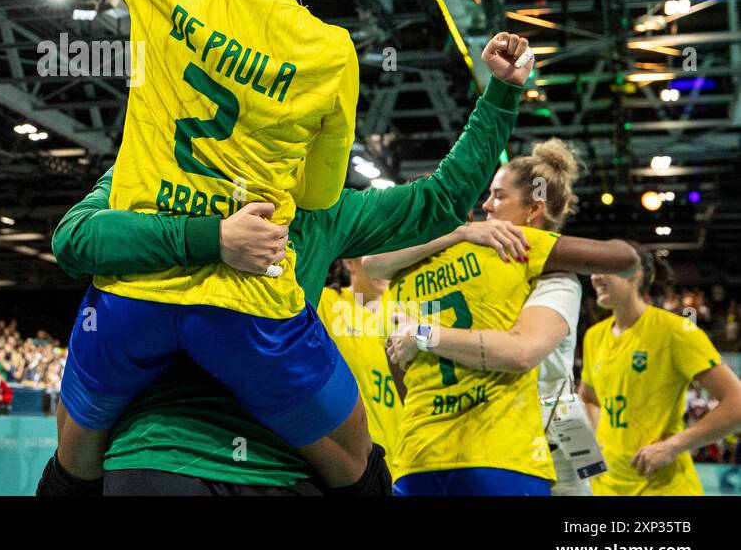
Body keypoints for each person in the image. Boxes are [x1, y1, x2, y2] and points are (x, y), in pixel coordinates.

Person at [42, 0, 381, 495]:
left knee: (74, 461)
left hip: (136, 294)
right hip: (245, 311)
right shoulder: (331, 53)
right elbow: (322, 198)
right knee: (355, 460)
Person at [46, 34, 529, 494]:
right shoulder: (317, 209)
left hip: (150, 462)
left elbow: (74, 240)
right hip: (280, 466)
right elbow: (441, 201)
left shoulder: (155, 175)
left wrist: (501, 94)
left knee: (68, 472)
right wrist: (501, 95)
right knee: (366, 474)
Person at [363, 139, 640, 496]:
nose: (486, 206)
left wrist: (422, 335)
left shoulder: (547, 269)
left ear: (533, 209)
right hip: (502, 443)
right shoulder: (484, 255)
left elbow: (520, 351)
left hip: (537, 437)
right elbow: (623, 257)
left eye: (498, 196)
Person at [579, 245, 741, 495]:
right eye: (594, 269)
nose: (595, 276)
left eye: (605, 268)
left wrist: (674, 446)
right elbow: (589, 398)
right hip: (607, 486)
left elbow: (737, 402)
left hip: (662, 487)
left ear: (634, 273)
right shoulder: (593, 336)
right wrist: (602, 438)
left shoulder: (676, 331)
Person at [317, 259, 401, 459]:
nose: (383, 261)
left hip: (406, 455)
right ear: (351, 263)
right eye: (375, 253)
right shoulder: (328, 303)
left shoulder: (405, 310)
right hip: (357, 457)